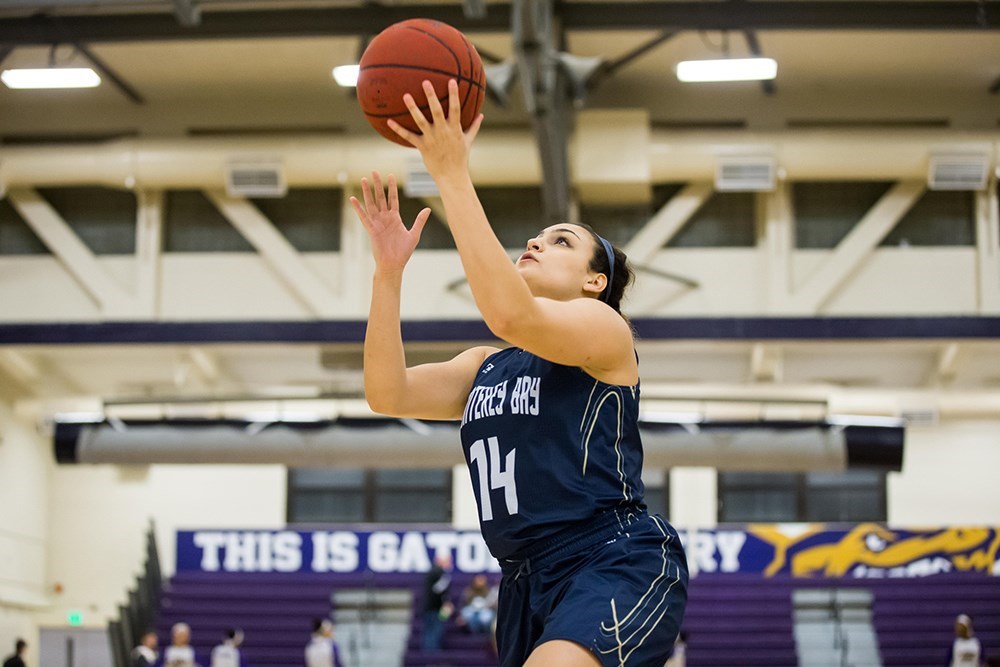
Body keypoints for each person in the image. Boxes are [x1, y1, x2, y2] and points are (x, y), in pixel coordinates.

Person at [352, 79, 689, 667]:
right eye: (538, 235)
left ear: (594, 281)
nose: (535, 240)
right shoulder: (486, 364)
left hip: (612, 556)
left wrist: (451, 173)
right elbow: (387, 392)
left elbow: (509, 312)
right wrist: (387, 275)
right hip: (521, 581)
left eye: (561, 241)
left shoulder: (604, 331)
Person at [421, 553, 454, 650]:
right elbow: (438, 590)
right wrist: (446, 602)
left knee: (428, 632)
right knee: (435, 632)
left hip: (429, 607)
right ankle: (432, 658)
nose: (449, 563)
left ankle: (427, 656)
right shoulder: (439, 572)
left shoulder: (432, 572)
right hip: (435, 608)